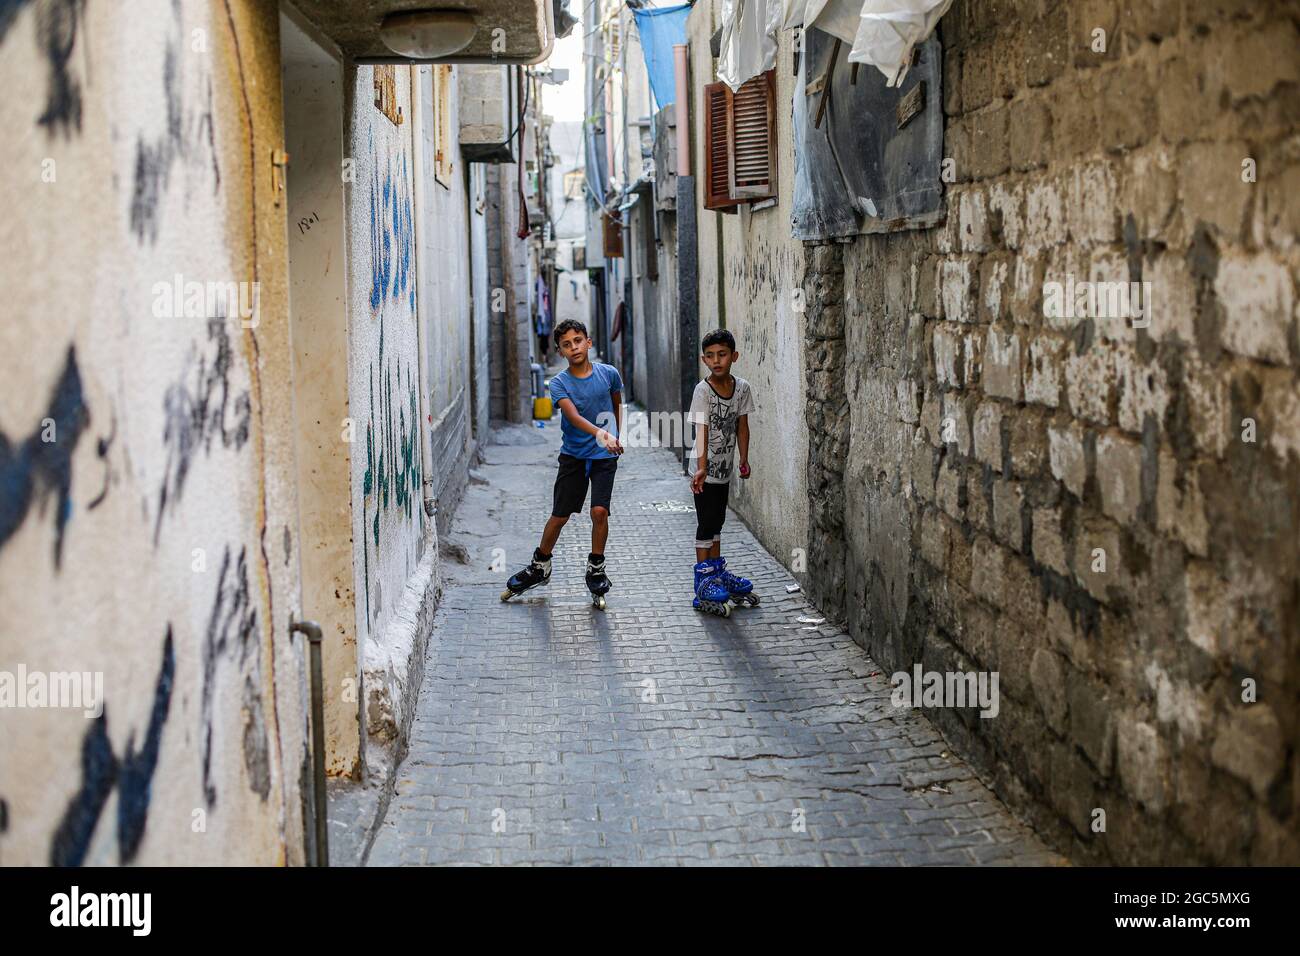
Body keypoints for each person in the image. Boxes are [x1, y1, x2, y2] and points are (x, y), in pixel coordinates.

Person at [501, 320, 625, 610]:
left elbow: (617, 402)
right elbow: (571, 416)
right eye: (567, 344)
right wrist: (601, 433)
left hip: (604, 456)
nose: (574, 347)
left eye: (578, 340)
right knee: (560, 516)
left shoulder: (609, 374)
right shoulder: (559, 383)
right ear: (560, 351)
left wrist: (617, 433)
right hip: (574, 457)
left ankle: (596, 567)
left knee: (599, 511)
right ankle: (540, 565)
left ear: (589, 342)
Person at [687, 329, 758, 616]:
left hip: (725, 468)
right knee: (706, 524)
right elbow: (701, 429)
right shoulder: (702, 391)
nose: (717, 361)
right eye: (711, 356)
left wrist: (744, 459)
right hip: (703, 470)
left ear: (734, 356)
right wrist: (702, 467)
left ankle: (716, 574)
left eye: (723, 354)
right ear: (705, 360)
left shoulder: (742, 388)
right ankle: (702, 582)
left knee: (717, 522)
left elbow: (742, 426)